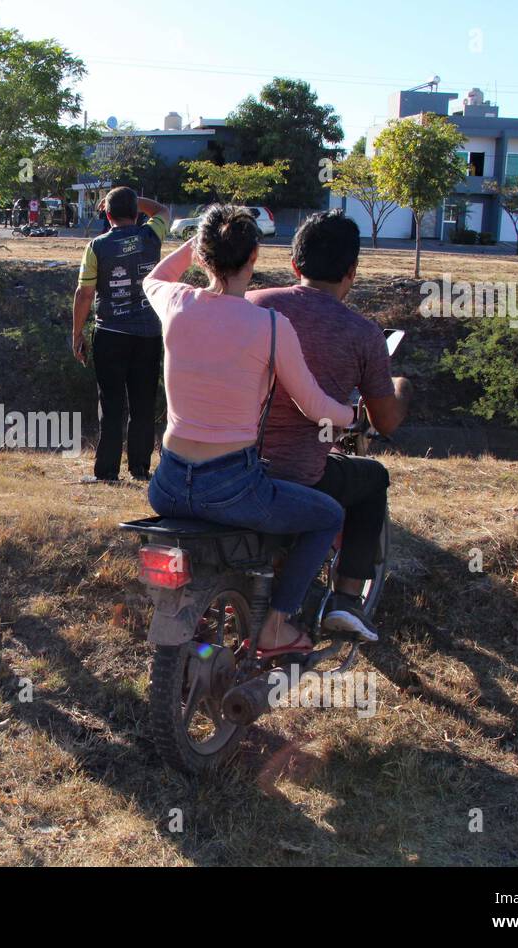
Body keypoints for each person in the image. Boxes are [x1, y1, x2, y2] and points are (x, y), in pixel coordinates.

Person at [142, 205, 356, 656]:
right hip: (233, 488)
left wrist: (196, 244)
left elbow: (154, 276)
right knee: (329, 515)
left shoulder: (175, 302)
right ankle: (276, 625)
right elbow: (313, 405)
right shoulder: (270, 327)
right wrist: (352, 415)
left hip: (167, 486)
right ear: (255, 256)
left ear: (201, 256)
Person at [247, 211, 412, 641]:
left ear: (295, 265)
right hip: (302, 473)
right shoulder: (362, 333)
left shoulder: (253, 305)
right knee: (373, 477)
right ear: (351, 273)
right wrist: (401, 386)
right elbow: (386, 421)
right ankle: (345, 599)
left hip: (236, 465)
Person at [72, 186, 171, 482]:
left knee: (111, 404)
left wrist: (77, 333)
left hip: (110, 334)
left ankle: (107, 472)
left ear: (107, 213)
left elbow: (84, 293)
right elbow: (164, 210)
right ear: (136, 213)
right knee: (143, 403)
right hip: (148, 335)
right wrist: (136, 201)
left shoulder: (97, 246)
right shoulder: (151, 236)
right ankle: (140, 468)